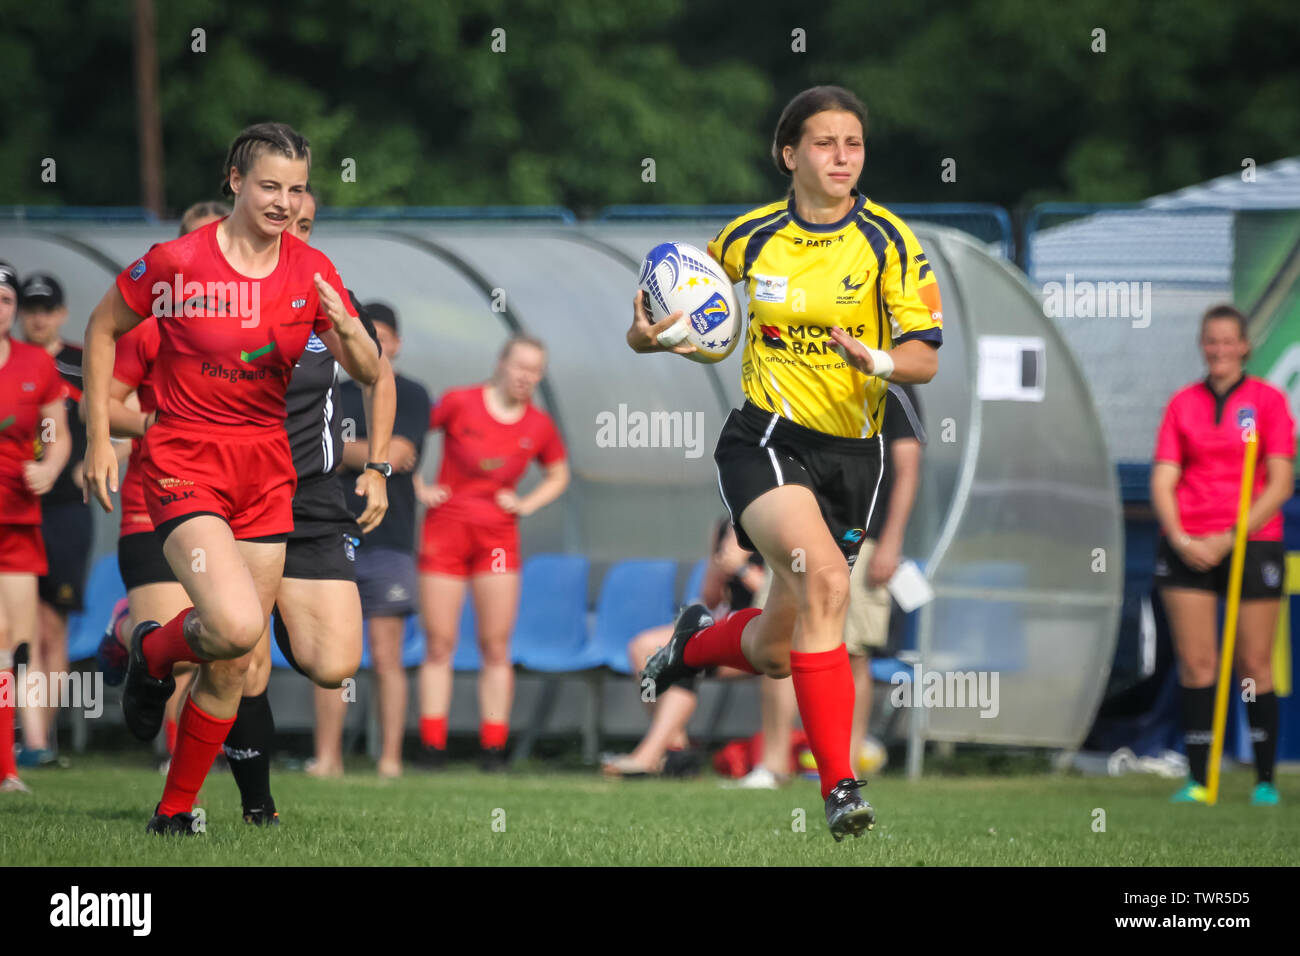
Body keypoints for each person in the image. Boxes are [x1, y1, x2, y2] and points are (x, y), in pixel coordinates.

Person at [628, 86, 942, 841]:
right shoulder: (750, 235)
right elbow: (667, 308)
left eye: (854, 144)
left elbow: (924, 359)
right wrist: (650, 335)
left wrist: (879, 359)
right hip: (764, 440)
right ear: (789, 154)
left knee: (777, 645)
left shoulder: (892, 242)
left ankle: (694, 642)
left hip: (854, 457)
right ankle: (838, 786)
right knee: (829, 584)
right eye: (826, 143)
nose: (842, 157)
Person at [82, 122, 380, 835]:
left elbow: (368, 371)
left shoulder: (312, 270)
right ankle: (153, 654)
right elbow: (100, 329)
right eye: (270, 185)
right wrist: (97, 434)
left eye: (297, 188)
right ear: (236, 182)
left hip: (266, 474)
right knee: (238, 624)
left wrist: (348, 328)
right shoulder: (176, 261)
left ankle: (175, 811)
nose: (283, 200)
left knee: (235, 659)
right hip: (185, 464)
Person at [223, 192, 396, 819]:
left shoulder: (328, 294)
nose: (296, 231)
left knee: (334, 664)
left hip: (317, 498)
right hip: (242, 493)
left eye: (307, 223)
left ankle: (235, 626)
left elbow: (379, 374)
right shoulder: (225, 295)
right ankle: (258, 808)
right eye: (285, 218)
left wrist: (376, 468)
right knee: (247, 662)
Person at [96, 202, 232, 775]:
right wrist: (158, 422)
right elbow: (104, 404)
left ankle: (189, 764)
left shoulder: (256, 323)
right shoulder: (147, 325)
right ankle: (124, 628)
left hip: (229, 502)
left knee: (220, 637)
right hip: (154, 500)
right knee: (177, 656)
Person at [1151, 303, 1294, 806]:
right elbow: (1165, 478)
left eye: (1228, 341)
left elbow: (1279, 483)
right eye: (1211, 341)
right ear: (1202, 344)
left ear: (1245, 346)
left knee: (1253, 663)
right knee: (1197, 663)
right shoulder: (1182, 403)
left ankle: (1263, 780)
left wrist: (1230, 537)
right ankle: (1198, 779)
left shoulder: (1268, 402)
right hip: (1188, 544)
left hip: (1251, 543)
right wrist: (1183, 537)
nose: (1219, 350)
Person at [413, 335, 570, 771]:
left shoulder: (538, 425)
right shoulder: (459, 402)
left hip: (498, 540)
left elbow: (559, 474)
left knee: (496, 646)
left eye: (535, 371)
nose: (526, 377)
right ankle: (431, 747)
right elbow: (404, 437)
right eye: (520, 367)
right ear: (501, 363)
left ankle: (494, 749)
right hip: (444, 532)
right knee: (440, 643)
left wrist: (526, 503)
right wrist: (417, 488)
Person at [323, 302, 426, 778]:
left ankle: (389, 761)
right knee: (330, 656)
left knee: (387, 656)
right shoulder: (329, 389)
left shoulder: (413, 393)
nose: (375, 346)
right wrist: (371, 455)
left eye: (383, 337)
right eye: (365, 336)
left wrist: (345, 452)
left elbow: (401, 455)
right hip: (331, 533)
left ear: (398, 343)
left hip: (390, 540)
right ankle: (328, 759)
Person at [602, 521, 780, 781]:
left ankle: (649, 756)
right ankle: (676, 750)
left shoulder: (779, 526)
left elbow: (782, 597)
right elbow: (710, 599)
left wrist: (741, 568)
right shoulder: (726, 529)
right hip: (728, 625)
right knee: (642, 647)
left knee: (684, 658)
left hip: (764, 635)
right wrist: (721, 562)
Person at [0, 261, 71, 793]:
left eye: (6, 300)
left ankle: (8, 768)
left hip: (18, 522)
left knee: (16, 644)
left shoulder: (36, 365)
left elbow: (56, 431)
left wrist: (48, 465)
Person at [14, 272, 88, 766]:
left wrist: (99, 458)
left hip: (64, 506)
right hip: (16, 503)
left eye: (47, 308)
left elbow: (117, 416)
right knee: (16, 625)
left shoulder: (83, 363)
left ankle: (45, 735)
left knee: (50, 626)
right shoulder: (10, 361)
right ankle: (30, 737)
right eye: (30, 308)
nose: (38, 317)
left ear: (61, 313)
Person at [847, 383, 924, 770]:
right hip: (809, 538)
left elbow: (908, 468)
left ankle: (845, 764)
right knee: (781, 648)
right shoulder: (804, 367)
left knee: (852, 654)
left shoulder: (892, 382)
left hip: (864, 543)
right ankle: (774, 763)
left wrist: (890, 543)